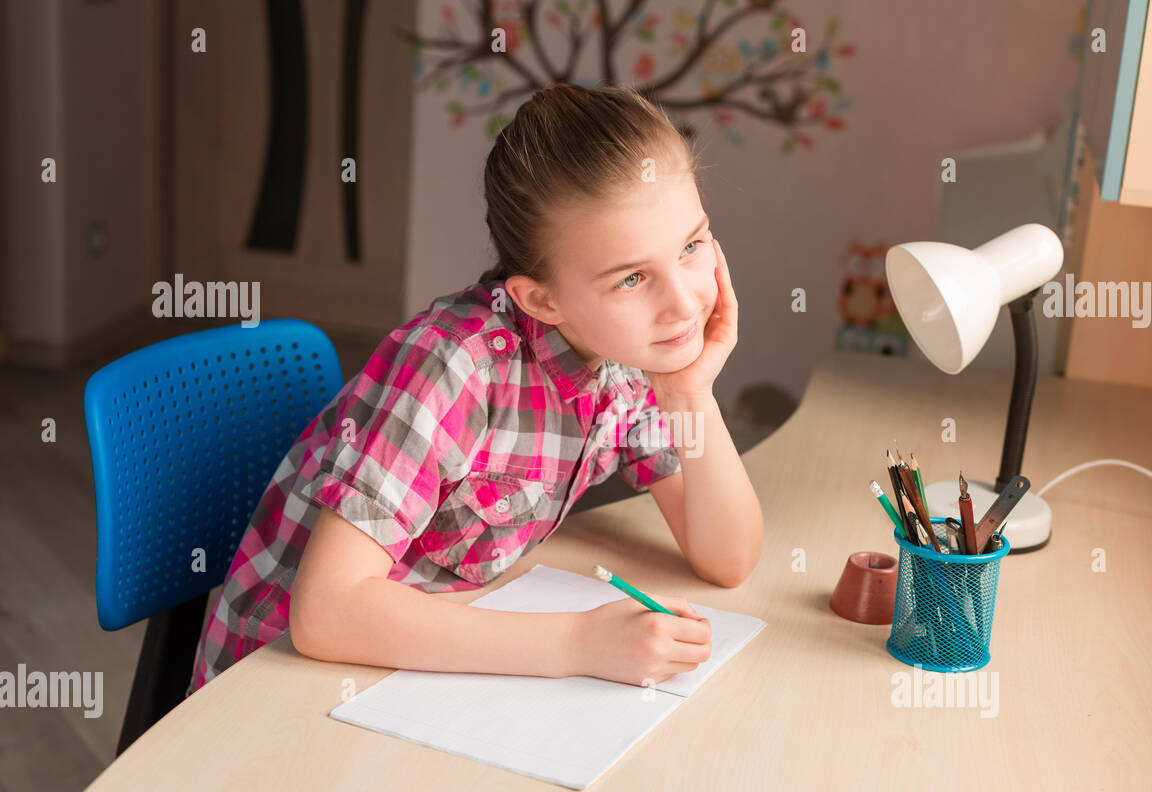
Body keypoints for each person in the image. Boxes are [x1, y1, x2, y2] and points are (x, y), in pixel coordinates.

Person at [186, 82, 763, 696]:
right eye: (631, 279)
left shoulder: (624, 361)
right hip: (282, 688)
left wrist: (689, 394)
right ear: (540, 300)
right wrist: (577, 644)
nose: (681, 304)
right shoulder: (451, 367)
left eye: (692, 246)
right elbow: (326, 614)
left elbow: (726, 559)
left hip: (429, 667)